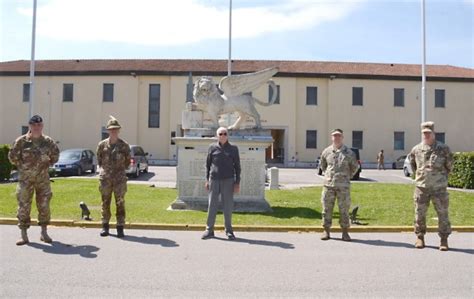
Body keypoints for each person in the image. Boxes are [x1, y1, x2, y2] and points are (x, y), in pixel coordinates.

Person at [8, 115, 59, 245]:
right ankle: (24, 235)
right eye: (34, 125)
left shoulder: (48, 142)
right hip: (25, 180)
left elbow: (55, 156)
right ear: (30, 126)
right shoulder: (21, 141)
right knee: (24, 206)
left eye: (39, 125)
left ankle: (44, 232)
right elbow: (12, 157)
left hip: (43, 180)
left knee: (44, 206)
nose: (37, 127)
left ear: (42, 126)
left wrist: (46, 164)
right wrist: (23, 166)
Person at [409, 121, 453, 251]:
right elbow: (413, 166)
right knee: (419, 214)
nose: (426, 136)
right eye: (424, 133)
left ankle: (444, 240)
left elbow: (450, 166)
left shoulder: (443, 149)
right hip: (421, 188)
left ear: (434, 133)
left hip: (439, 189)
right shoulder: (416, 150)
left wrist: (439, 178)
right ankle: (420, 237)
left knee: (443, 214)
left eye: (428, 133)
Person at [319, 129, 359, 241]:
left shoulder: (349, 153)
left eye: (339, 136)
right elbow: (323, 166)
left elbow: (354, 167)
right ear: (332, 138)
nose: (336, 138)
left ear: (342, 137)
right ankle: (326, 231)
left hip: (343, 187)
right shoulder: (326, 151)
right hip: (328, 186)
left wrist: (346, 177)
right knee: (326, 209)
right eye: (334, 136)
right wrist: (328, 177)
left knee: (344, 210)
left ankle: (345, 233)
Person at [202, 127, 241, 240]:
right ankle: (209, 230)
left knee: (227, 206)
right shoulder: (212, 148)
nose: (223, 136)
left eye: (225, 134)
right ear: (217, 135)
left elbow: (237, 167)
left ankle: (229, 231)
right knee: (212, 205)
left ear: (227, 135)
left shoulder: (233, 149)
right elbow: (208, 166)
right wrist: (207, 180)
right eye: (221, 134)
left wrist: (237, 182)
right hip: (214, 180)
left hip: (228, 180)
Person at [96, 116, 131, 238]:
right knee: (105, 202)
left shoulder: (124, 146)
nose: (113, 131)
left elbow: (127, 162)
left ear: (119, 130)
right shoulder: (102, 145)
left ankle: (120, 227)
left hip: (119, 179)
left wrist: (118, 171)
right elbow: (99, 160)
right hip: (105, 179)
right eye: (111, 129)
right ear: (108, 131)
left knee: (120, 203)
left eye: (116, 129)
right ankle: (105, 226)